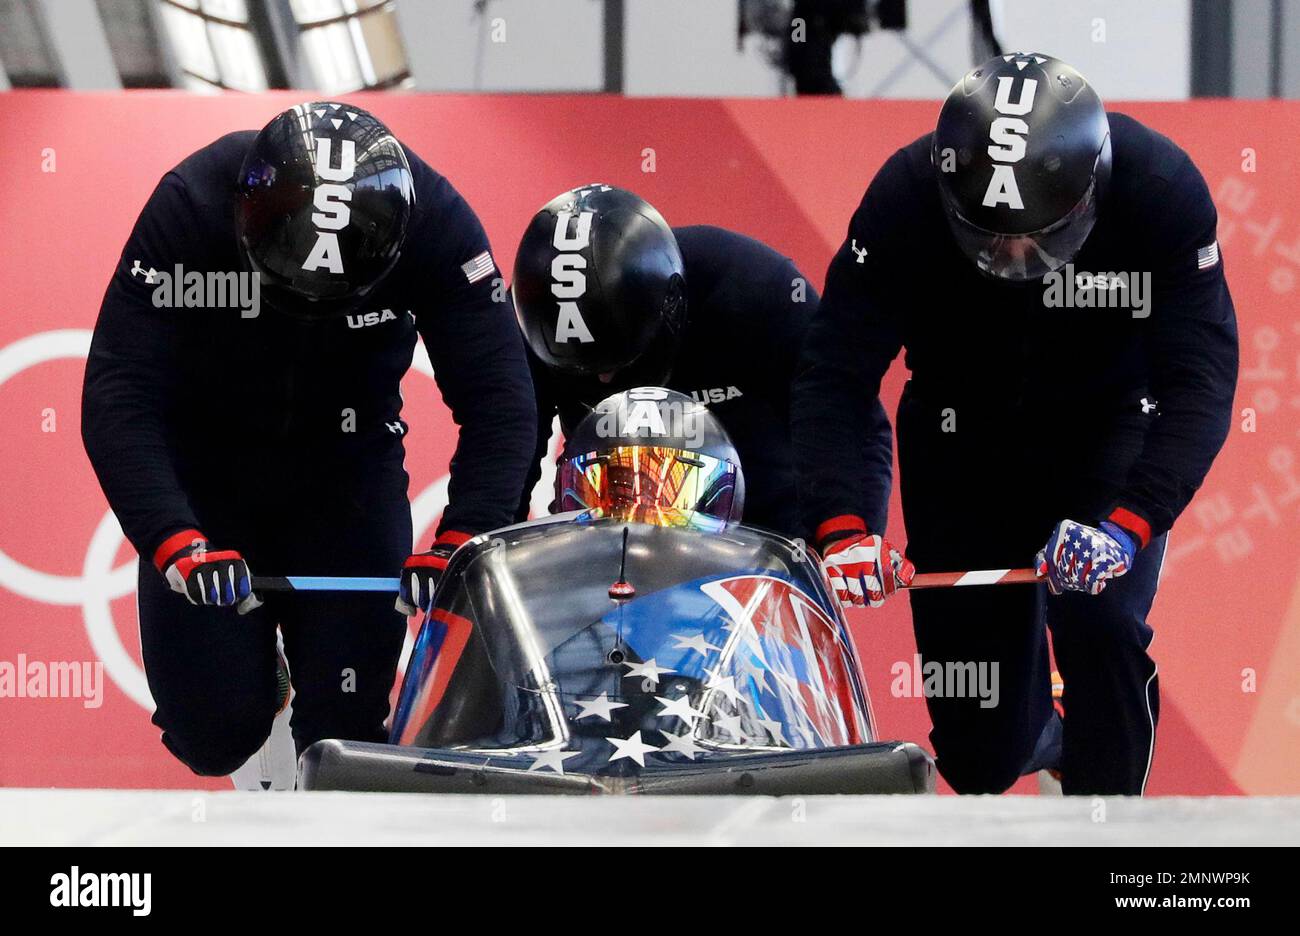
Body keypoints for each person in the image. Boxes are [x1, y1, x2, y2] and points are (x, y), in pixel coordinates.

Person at [792, 53, 1238, 795]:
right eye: (989, 237)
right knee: (980, 749)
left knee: (1100, 623)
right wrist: (844, 526)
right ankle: (1046, 732)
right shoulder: (903, 201)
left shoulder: (1161, 192)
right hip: (961, 437)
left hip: (1109, 427)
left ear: (1090, 193)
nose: (1015, 258)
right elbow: (834, 374)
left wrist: (1128, 527)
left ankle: (1114, 829)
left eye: (1038, 236)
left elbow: (1202, 380)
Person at [82, 102, 536, 779]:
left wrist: (459, 540)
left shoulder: (438, 226)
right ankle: (260, 688)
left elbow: (500, 400)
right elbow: (119, 392)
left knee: (346, 731)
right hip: (211, 473)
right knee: (210, 736)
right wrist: (173, 536)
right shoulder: (190, 205)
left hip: (346, 479)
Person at [511, 183, 892, 540]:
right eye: (582, 370)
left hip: (762, 526)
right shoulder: (533, 309)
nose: (605, 377)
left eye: (618, 361)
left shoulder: (758, 289)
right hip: (604, 522)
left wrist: (848, 533)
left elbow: (847, 413)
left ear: (671, 307)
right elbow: (511, 437)